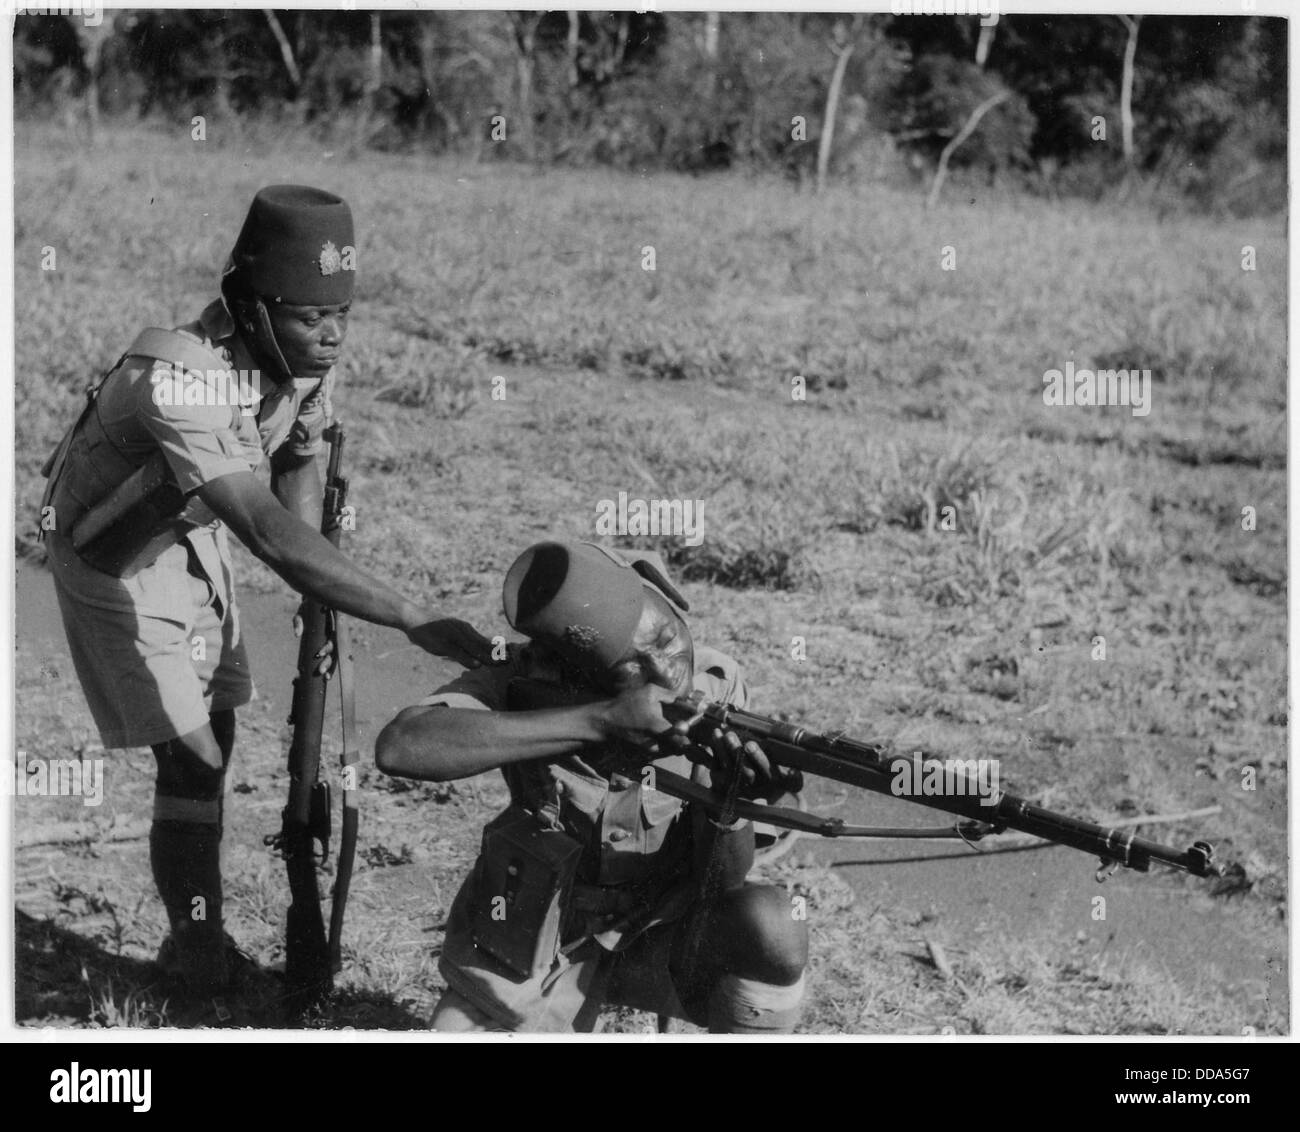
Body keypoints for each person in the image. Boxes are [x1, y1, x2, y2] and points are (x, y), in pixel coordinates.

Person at [39, 185, 494, 1002]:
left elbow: (295, 469)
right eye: (307, 316)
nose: (330, 336)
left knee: (215, 732)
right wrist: (409, 614)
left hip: (189, 529)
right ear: (247, 305)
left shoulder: (299, 360)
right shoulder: (179, 379)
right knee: (193, 759)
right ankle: (200, 963)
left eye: (342, 315)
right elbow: (266, 531)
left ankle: (193, 943)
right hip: (112, 557)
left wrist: (319, 583)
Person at [375, 539, 809, 1033]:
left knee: (774, 924)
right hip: (538, 933)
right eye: (632, 671)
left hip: (664, 930)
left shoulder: (717, 683)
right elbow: (401, 746)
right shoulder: (519, 681)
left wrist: (729, 805)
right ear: (561, 672)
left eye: (668, 639)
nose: (668, 674)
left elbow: (726, 882)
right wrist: (598, 721)